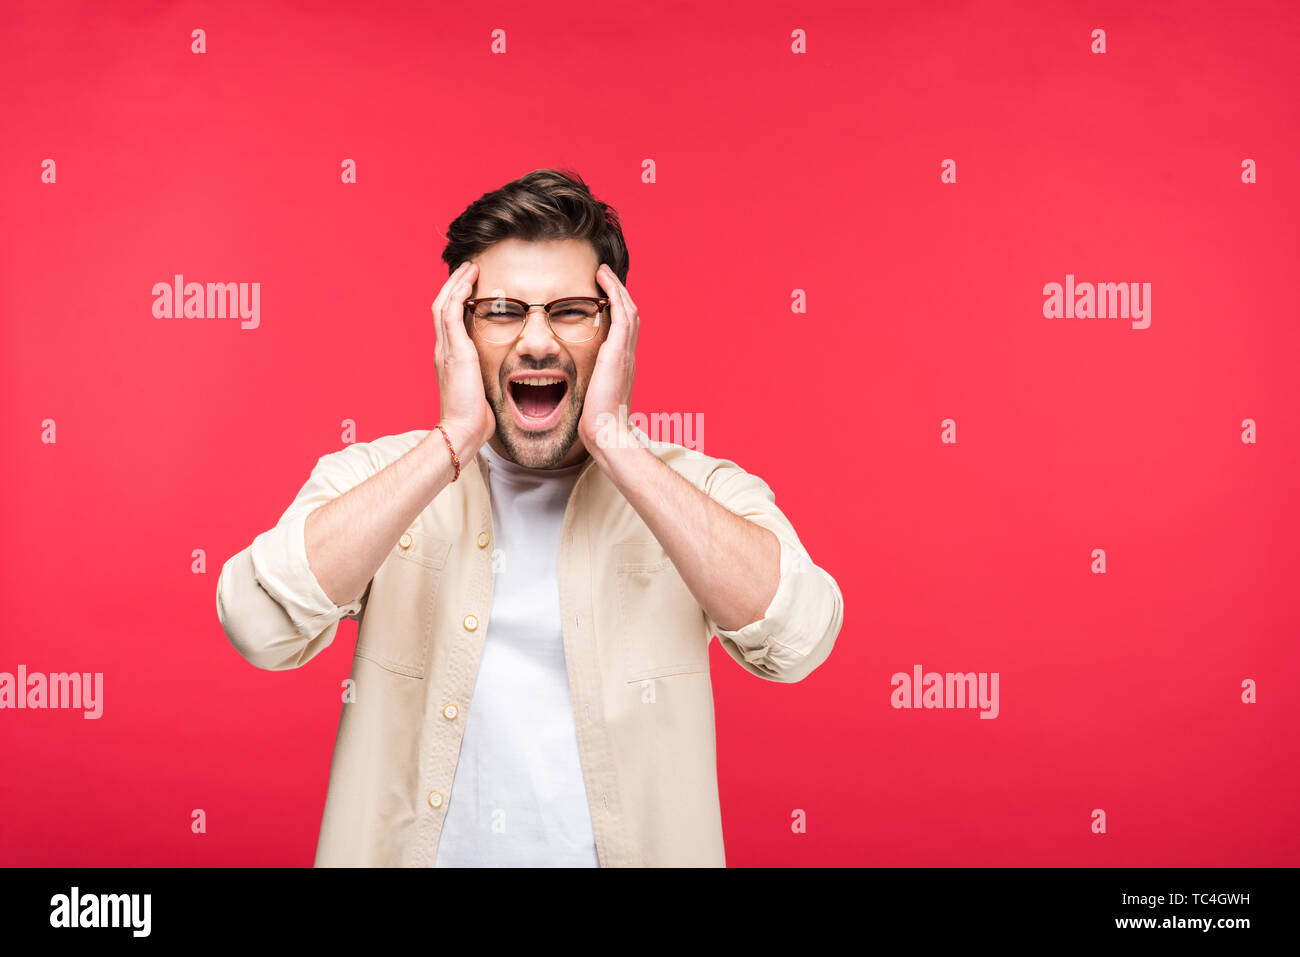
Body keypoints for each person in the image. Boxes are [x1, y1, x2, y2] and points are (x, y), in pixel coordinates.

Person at [215, 168, 844, 867]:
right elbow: (258, 624)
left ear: (616, 329)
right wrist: (451, 440)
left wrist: (615, 440)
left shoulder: (693, 488)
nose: (537, 341)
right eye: (504, 311)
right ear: (457, 328)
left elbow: (799, 639)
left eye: (572, 310)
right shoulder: (378, 478)